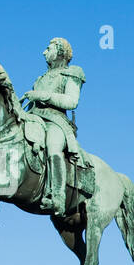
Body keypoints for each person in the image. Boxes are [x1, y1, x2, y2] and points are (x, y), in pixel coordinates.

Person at [21, 37, 87, 216]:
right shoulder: (40, 78)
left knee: (53, 146)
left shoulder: (73, 72)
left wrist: (41, 95)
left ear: (60, 51)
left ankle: (57, 197)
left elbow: (72, 101)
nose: (44, 52)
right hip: (34, 119)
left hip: (56, 121)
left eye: (48, 48)